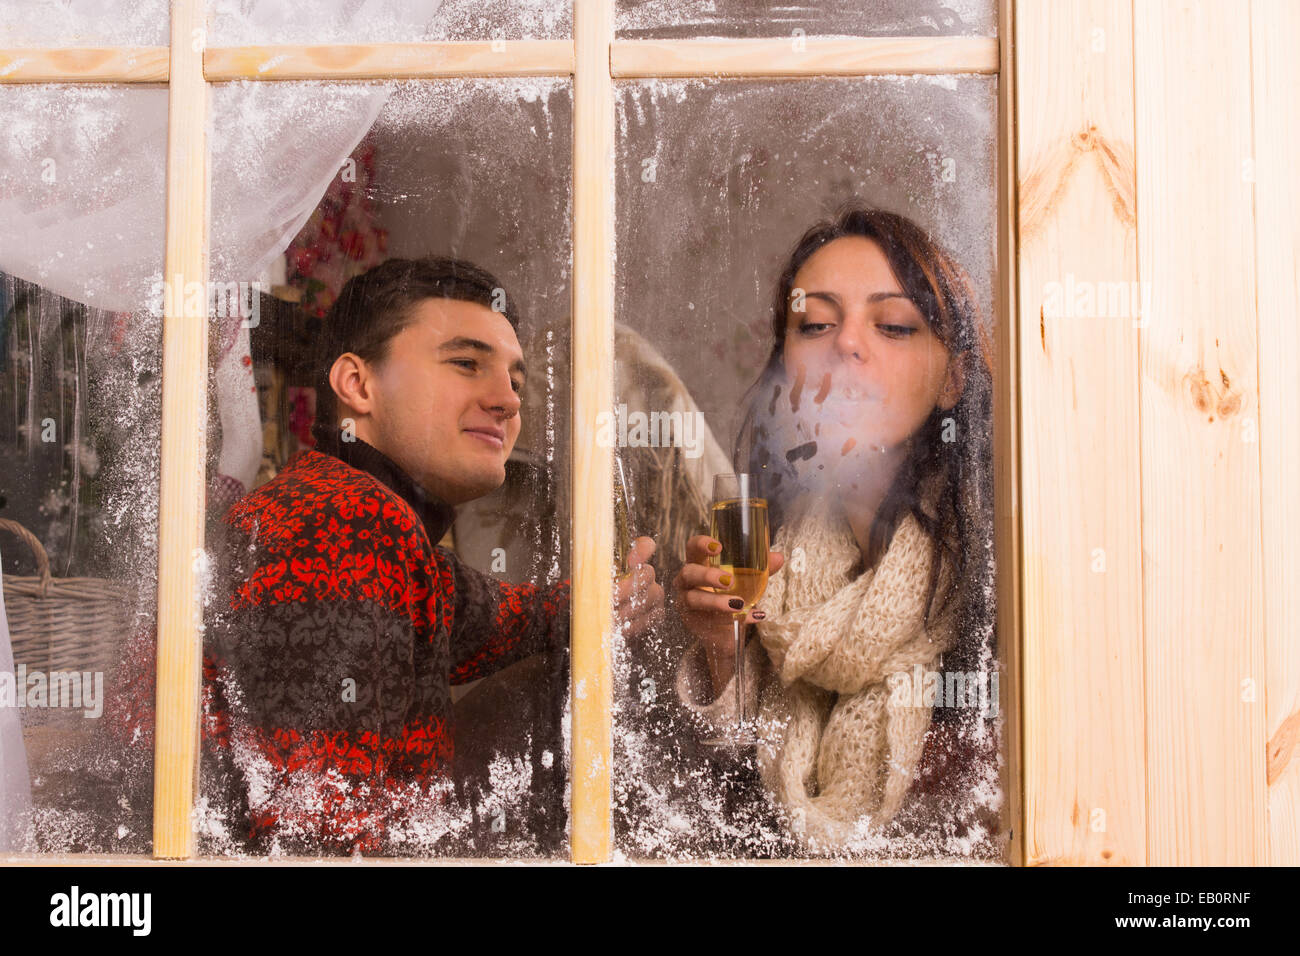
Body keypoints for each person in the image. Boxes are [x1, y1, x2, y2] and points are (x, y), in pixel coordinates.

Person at [108, 256, 664, 856]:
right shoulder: (345, 522)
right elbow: (320, 843)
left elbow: (489, 616)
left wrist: (600, 603)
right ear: (358, 385)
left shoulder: (345, 509)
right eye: (466, 363)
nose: (506, 401)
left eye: (516, 382)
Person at [672, 202, 998, 856]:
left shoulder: (1001, 572)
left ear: (953, 380)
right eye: (815, 323)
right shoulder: (770, 557)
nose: (846, 342)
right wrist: (722, 650)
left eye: (896, 326)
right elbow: (732, 832)